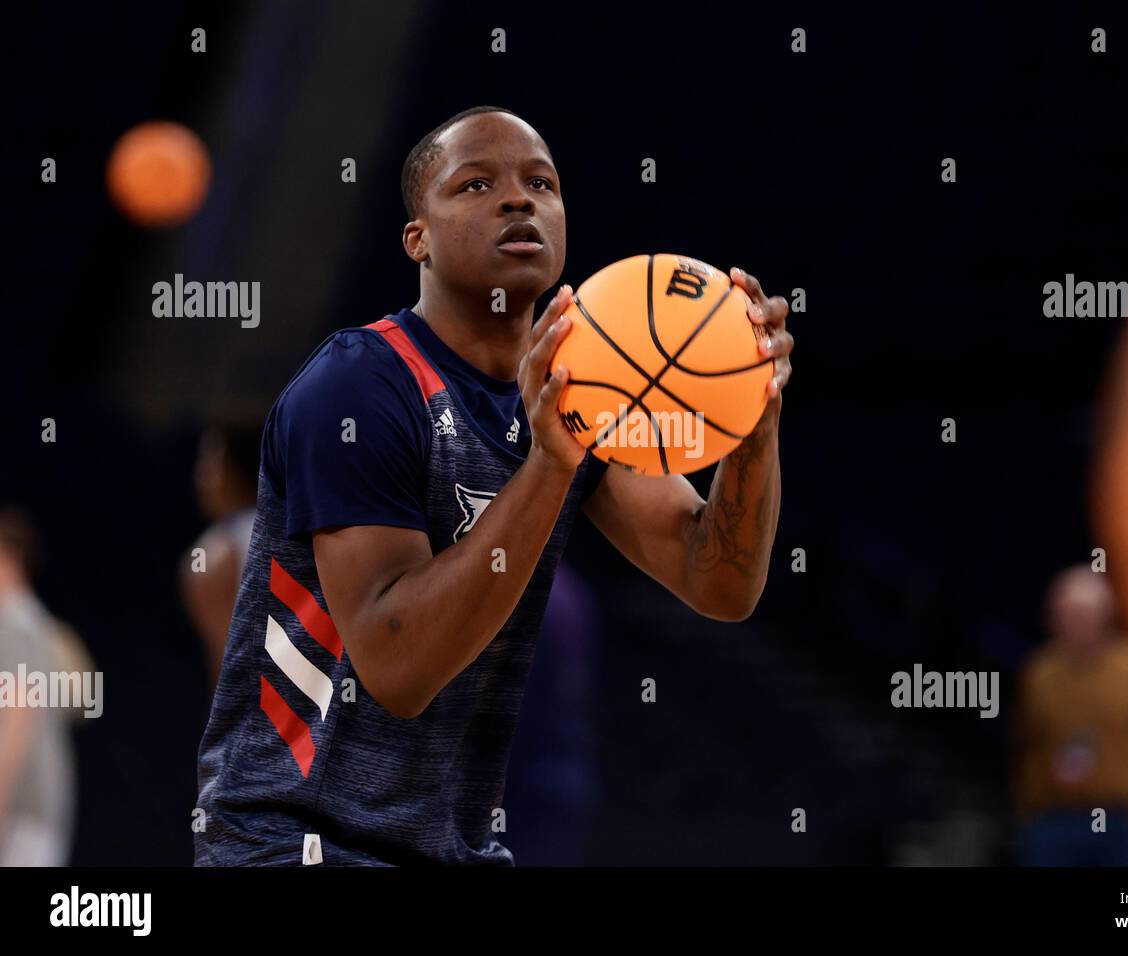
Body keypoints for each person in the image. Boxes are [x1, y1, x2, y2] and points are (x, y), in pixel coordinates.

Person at [194, 105, 794, 865]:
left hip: (454, 845)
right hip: (297, 843)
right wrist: (549, 464)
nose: (519, 199)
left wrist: (751, 426)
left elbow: (721, 583)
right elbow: (395, 670)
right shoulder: (357, 386)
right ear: (419, 238)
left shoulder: (580, 390)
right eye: (475, 185)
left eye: (541, 183)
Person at [1013, 566, 1128, 866]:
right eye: (1062, 614)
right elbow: (1027, 742)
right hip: (1057, 818)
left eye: (1080, 615)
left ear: (1105, 617)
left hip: (1124, 821)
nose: (1070, 623)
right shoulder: (1040, 673)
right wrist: (1032, 806)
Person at [0, 508, 89, 867]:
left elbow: (20, 711)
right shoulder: (42, 627)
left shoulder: (13, 623)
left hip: (19, 809)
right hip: (44, 806)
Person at [180, 422, 261, 688]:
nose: (200, 477)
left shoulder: (216, 552)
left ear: (234, 470)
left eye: (209, 461)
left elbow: (228, 659)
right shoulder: (310, 533)